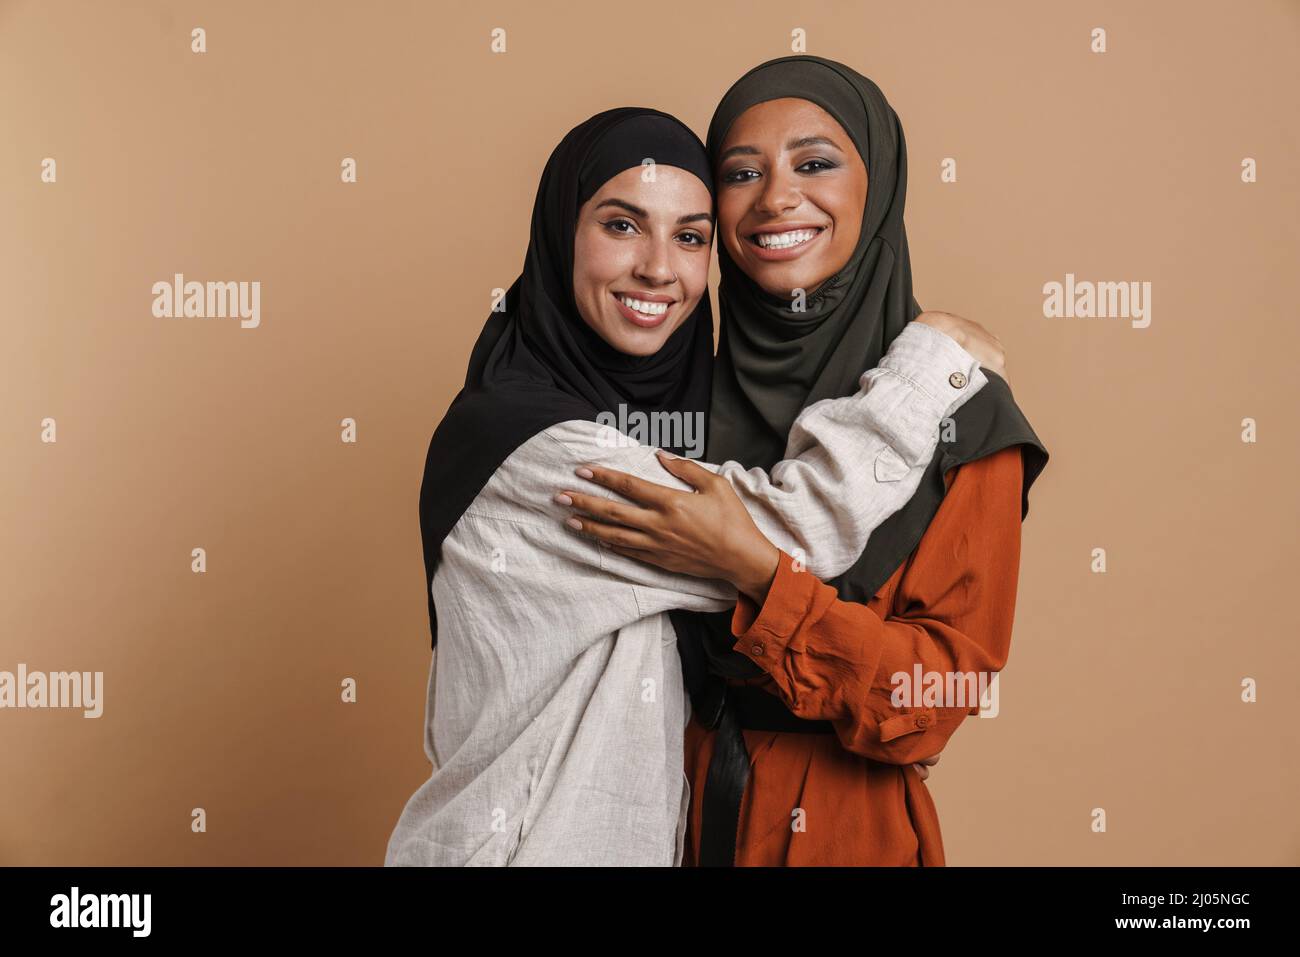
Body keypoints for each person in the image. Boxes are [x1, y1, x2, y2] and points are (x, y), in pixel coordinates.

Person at [385, 105, 1001, 866]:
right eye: (620, 225)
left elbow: (931, 686)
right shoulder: (531, 445)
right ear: (558, 235)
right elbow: (789, 526)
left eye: (689, 237)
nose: (658, 267)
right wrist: (931, 369)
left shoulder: (686, 412)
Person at [557, 58, 1049, 865]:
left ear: (878, 184)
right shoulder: (671, 388)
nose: (777, 198)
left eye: (815, 164)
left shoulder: (962, 418)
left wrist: (756, 572)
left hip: (838, 832)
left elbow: (938, 696)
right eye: (741, 174)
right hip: (648, 811)